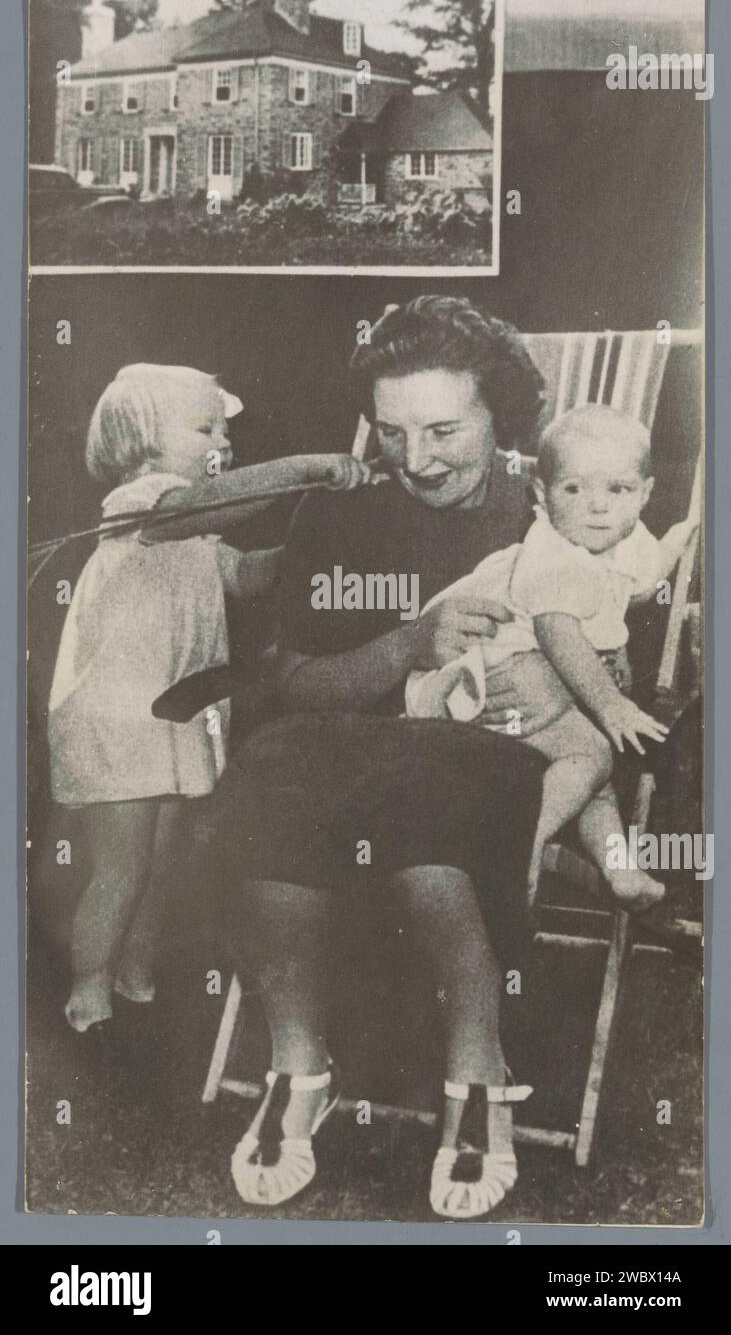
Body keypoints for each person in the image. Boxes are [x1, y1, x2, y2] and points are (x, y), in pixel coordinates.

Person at [214, 297, 557, 1219]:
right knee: (267, 764)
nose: (418, 459)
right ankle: (298, 1066)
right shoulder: (346, 513)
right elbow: (294, 685)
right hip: (347, 747)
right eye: (394, 431)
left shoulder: (551, 510)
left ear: (503, 415)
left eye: (445, 429)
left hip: (482, 755)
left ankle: (477, 1071)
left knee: (426, 782)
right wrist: (409, 643)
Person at [48, 362, 374, 1042]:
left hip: (170, 716)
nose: (222, 439)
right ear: (142, 440)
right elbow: (210, 502)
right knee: (123, 864)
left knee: (163, 860)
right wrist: (306, 468)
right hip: (116, 715)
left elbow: (249, 576)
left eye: (225, 428)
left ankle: (135, 973)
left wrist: (305, 545)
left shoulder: (197, 529)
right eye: (204, 427)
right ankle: (87, 991)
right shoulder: (140, 503)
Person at [406, 405, 699, 911]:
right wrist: (610, 704)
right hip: (482, 676)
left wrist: (679, 539)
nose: (597, 507)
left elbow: (642, 582)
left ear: (645, 494)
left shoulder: (619, 538)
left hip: (529, 679)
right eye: (574, 490)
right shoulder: (553, 555)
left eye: (617, 490)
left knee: (592, 777)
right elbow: (558, 634)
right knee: (591, 754)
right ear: (542, 494)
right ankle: (521, 844)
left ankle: (619, 869)